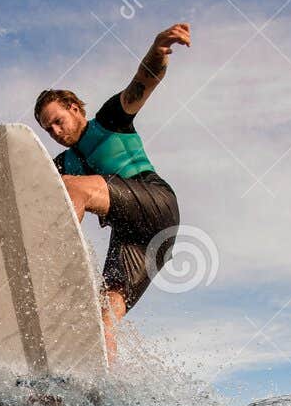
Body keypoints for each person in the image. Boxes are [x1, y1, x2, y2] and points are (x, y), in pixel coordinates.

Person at [34, 22, 189, 362]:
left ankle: (53, 275)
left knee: (69, 187)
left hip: (156, 203)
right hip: (140, 240)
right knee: (103, 317)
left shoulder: (108, 121)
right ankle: (106, 389)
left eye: (59, 120)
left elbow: (143, 82)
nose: (56, 132)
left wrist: (158, 50)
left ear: (76, 108)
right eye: (48, 129)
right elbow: (32, 187)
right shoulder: (64, 163)